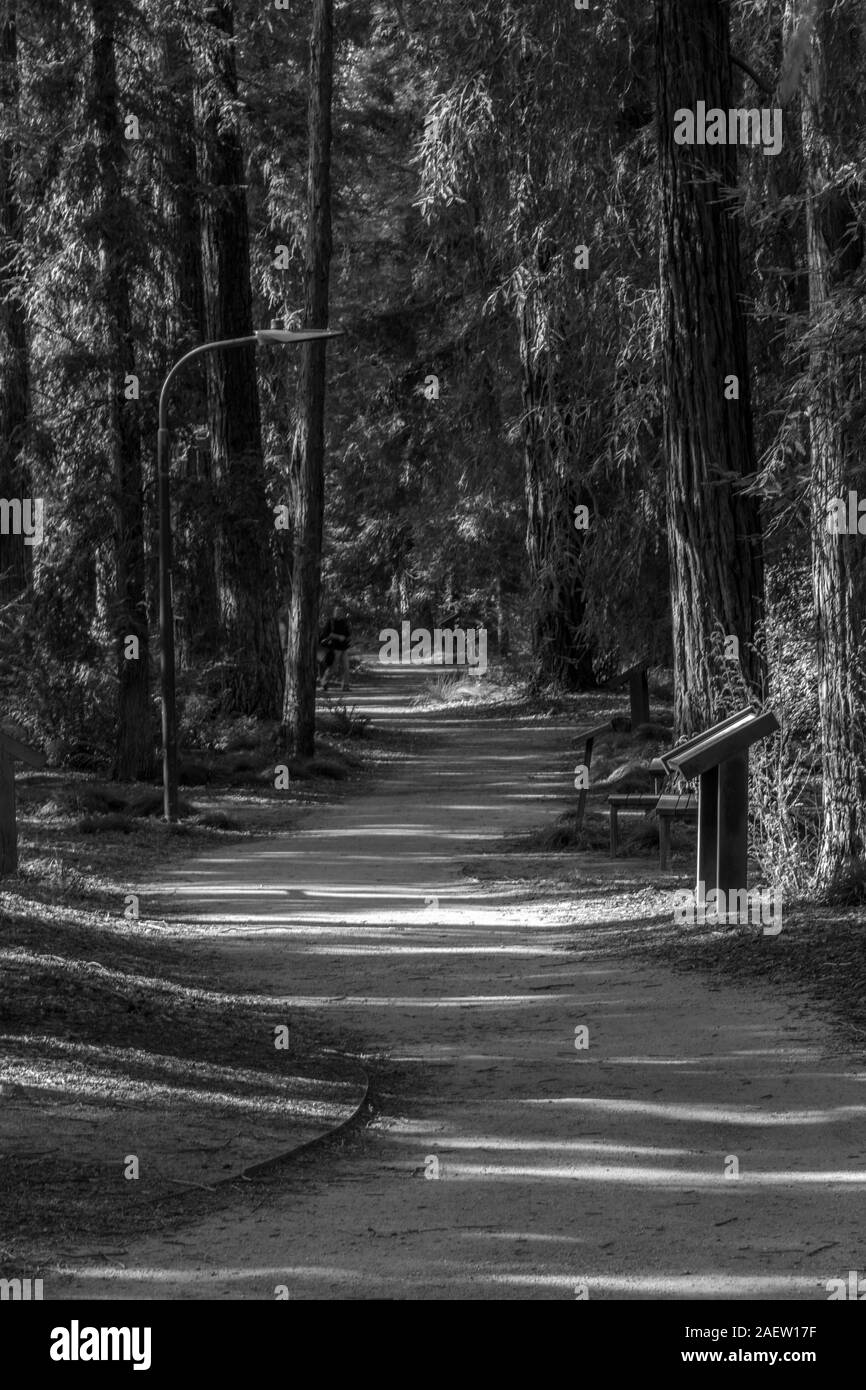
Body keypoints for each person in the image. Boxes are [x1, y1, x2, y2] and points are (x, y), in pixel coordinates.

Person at [319, 605, 351, 691]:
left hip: (344, 648)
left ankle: (345, 686)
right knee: (333, 668)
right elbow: (326, 634)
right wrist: (338, 636)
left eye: (340, 611)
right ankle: (324, 682)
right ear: (334, 612)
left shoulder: (344, 622)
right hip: (334, 648)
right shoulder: (330, 621)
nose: (338, 613)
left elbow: (348, 634)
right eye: (337, 611)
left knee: (346, 668)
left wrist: (347, 639)